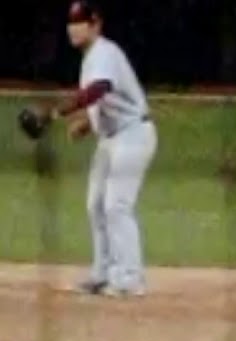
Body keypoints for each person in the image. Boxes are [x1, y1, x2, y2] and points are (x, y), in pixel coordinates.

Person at [44, 2, 157, 297]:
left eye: (80, 21)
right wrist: (86, 123)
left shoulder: (104, 53)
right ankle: (103, 272)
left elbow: (99, 89)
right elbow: (103, 99)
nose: (73, 28)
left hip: (133, 135)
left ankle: (130, 278)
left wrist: (58, 113)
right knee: (95, 204)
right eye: (70, 22)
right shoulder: (92, 57)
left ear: (96, 24)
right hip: (111, 139)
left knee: (116, 205)